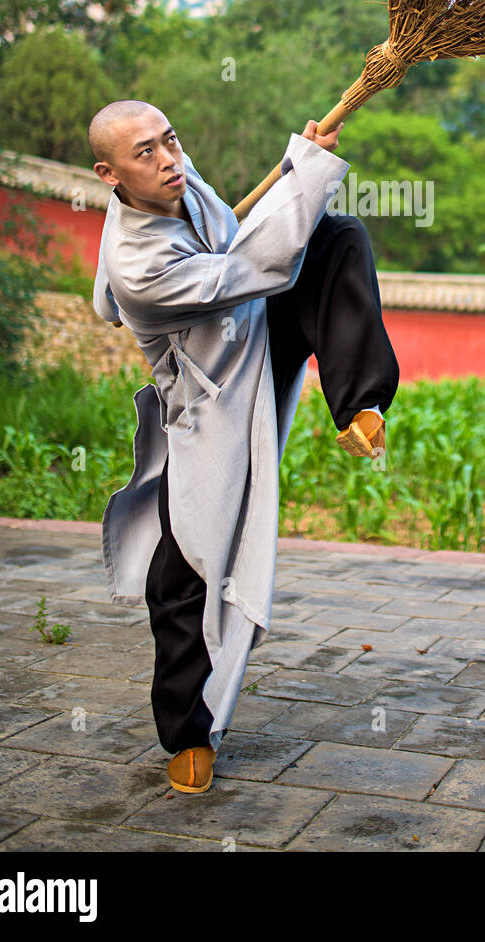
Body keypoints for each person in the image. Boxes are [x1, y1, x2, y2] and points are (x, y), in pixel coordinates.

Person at [88, 100, 399, 793]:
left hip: (255, 328)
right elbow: (250, 270)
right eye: (146, 153)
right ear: (108, 174)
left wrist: (298, 163)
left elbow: (251, 247)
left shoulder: (169, 178)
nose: (169, 159)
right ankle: (188, 732)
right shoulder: (139, 265)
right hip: (211, 395)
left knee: (338, 237)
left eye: (170, 139)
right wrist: (306, 171)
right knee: (184, 569)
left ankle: (360, 404)